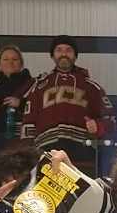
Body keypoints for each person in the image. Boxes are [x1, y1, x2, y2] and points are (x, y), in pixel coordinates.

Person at [24, 35, 110, 171]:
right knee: (46, 192)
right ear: (52, 56)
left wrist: (97, 126)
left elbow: (110, 120)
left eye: (69, 50)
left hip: (82, 153)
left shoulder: (92, 87)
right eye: (59, 50)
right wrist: (28, 155)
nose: (64, 54)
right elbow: (28, 123)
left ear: (75, 56)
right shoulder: (39, 87)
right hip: (45, 152)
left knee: (80, 192)